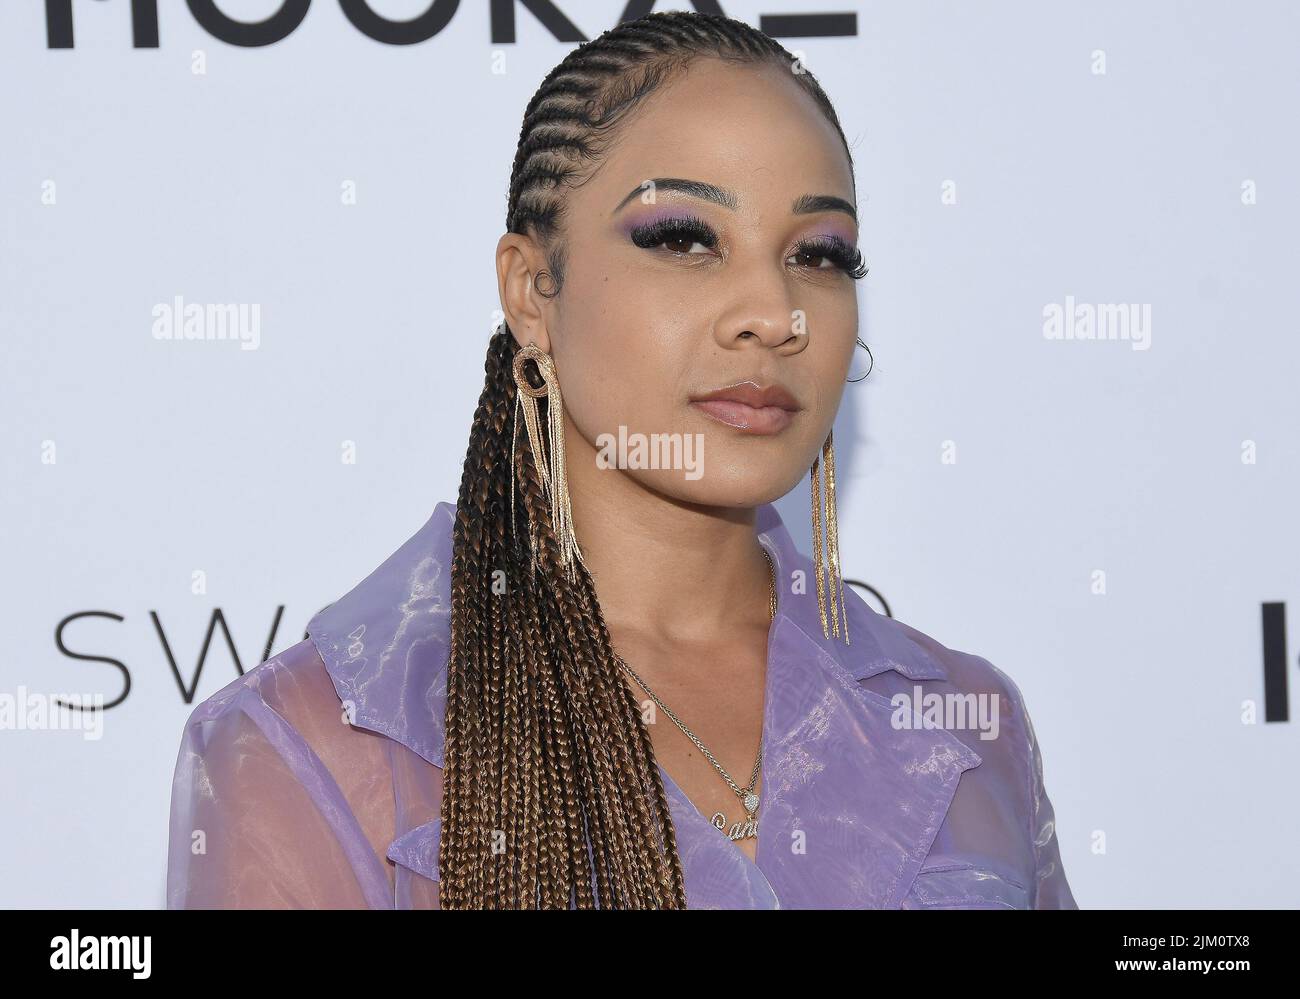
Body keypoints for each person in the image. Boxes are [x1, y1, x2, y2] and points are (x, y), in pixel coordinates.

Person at [166, 10, 1076, 910]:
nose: (772, 309)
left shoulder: (968, 721)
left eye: (820, 254)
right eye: (683, 239)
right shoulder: (311, 742)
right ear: (532, 291)